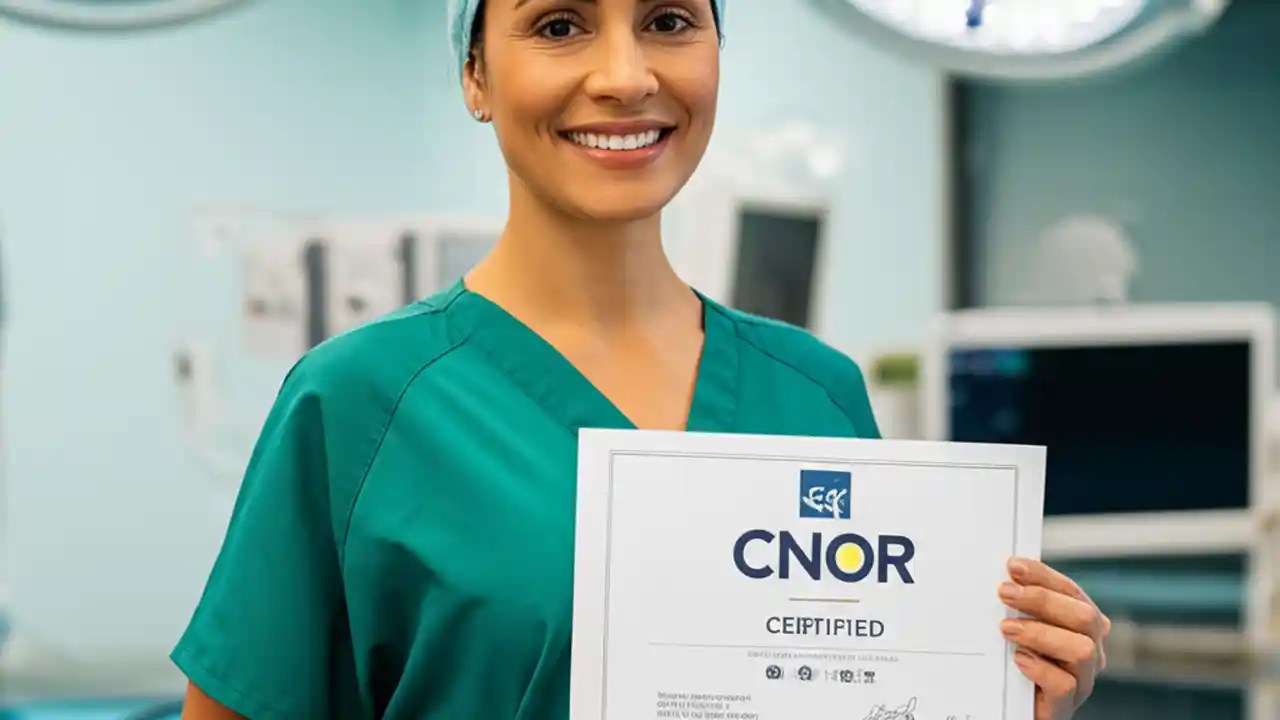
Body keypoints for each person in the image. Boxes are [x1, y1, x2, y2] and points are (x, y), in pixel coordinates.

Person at [174, 1, 1111, 718]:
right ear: (475, 74)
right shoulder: (358, 404)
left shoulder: (820, 392)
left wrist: (1005, 688)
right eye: (559, 25)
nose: (624, 77)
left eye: (668, 20)